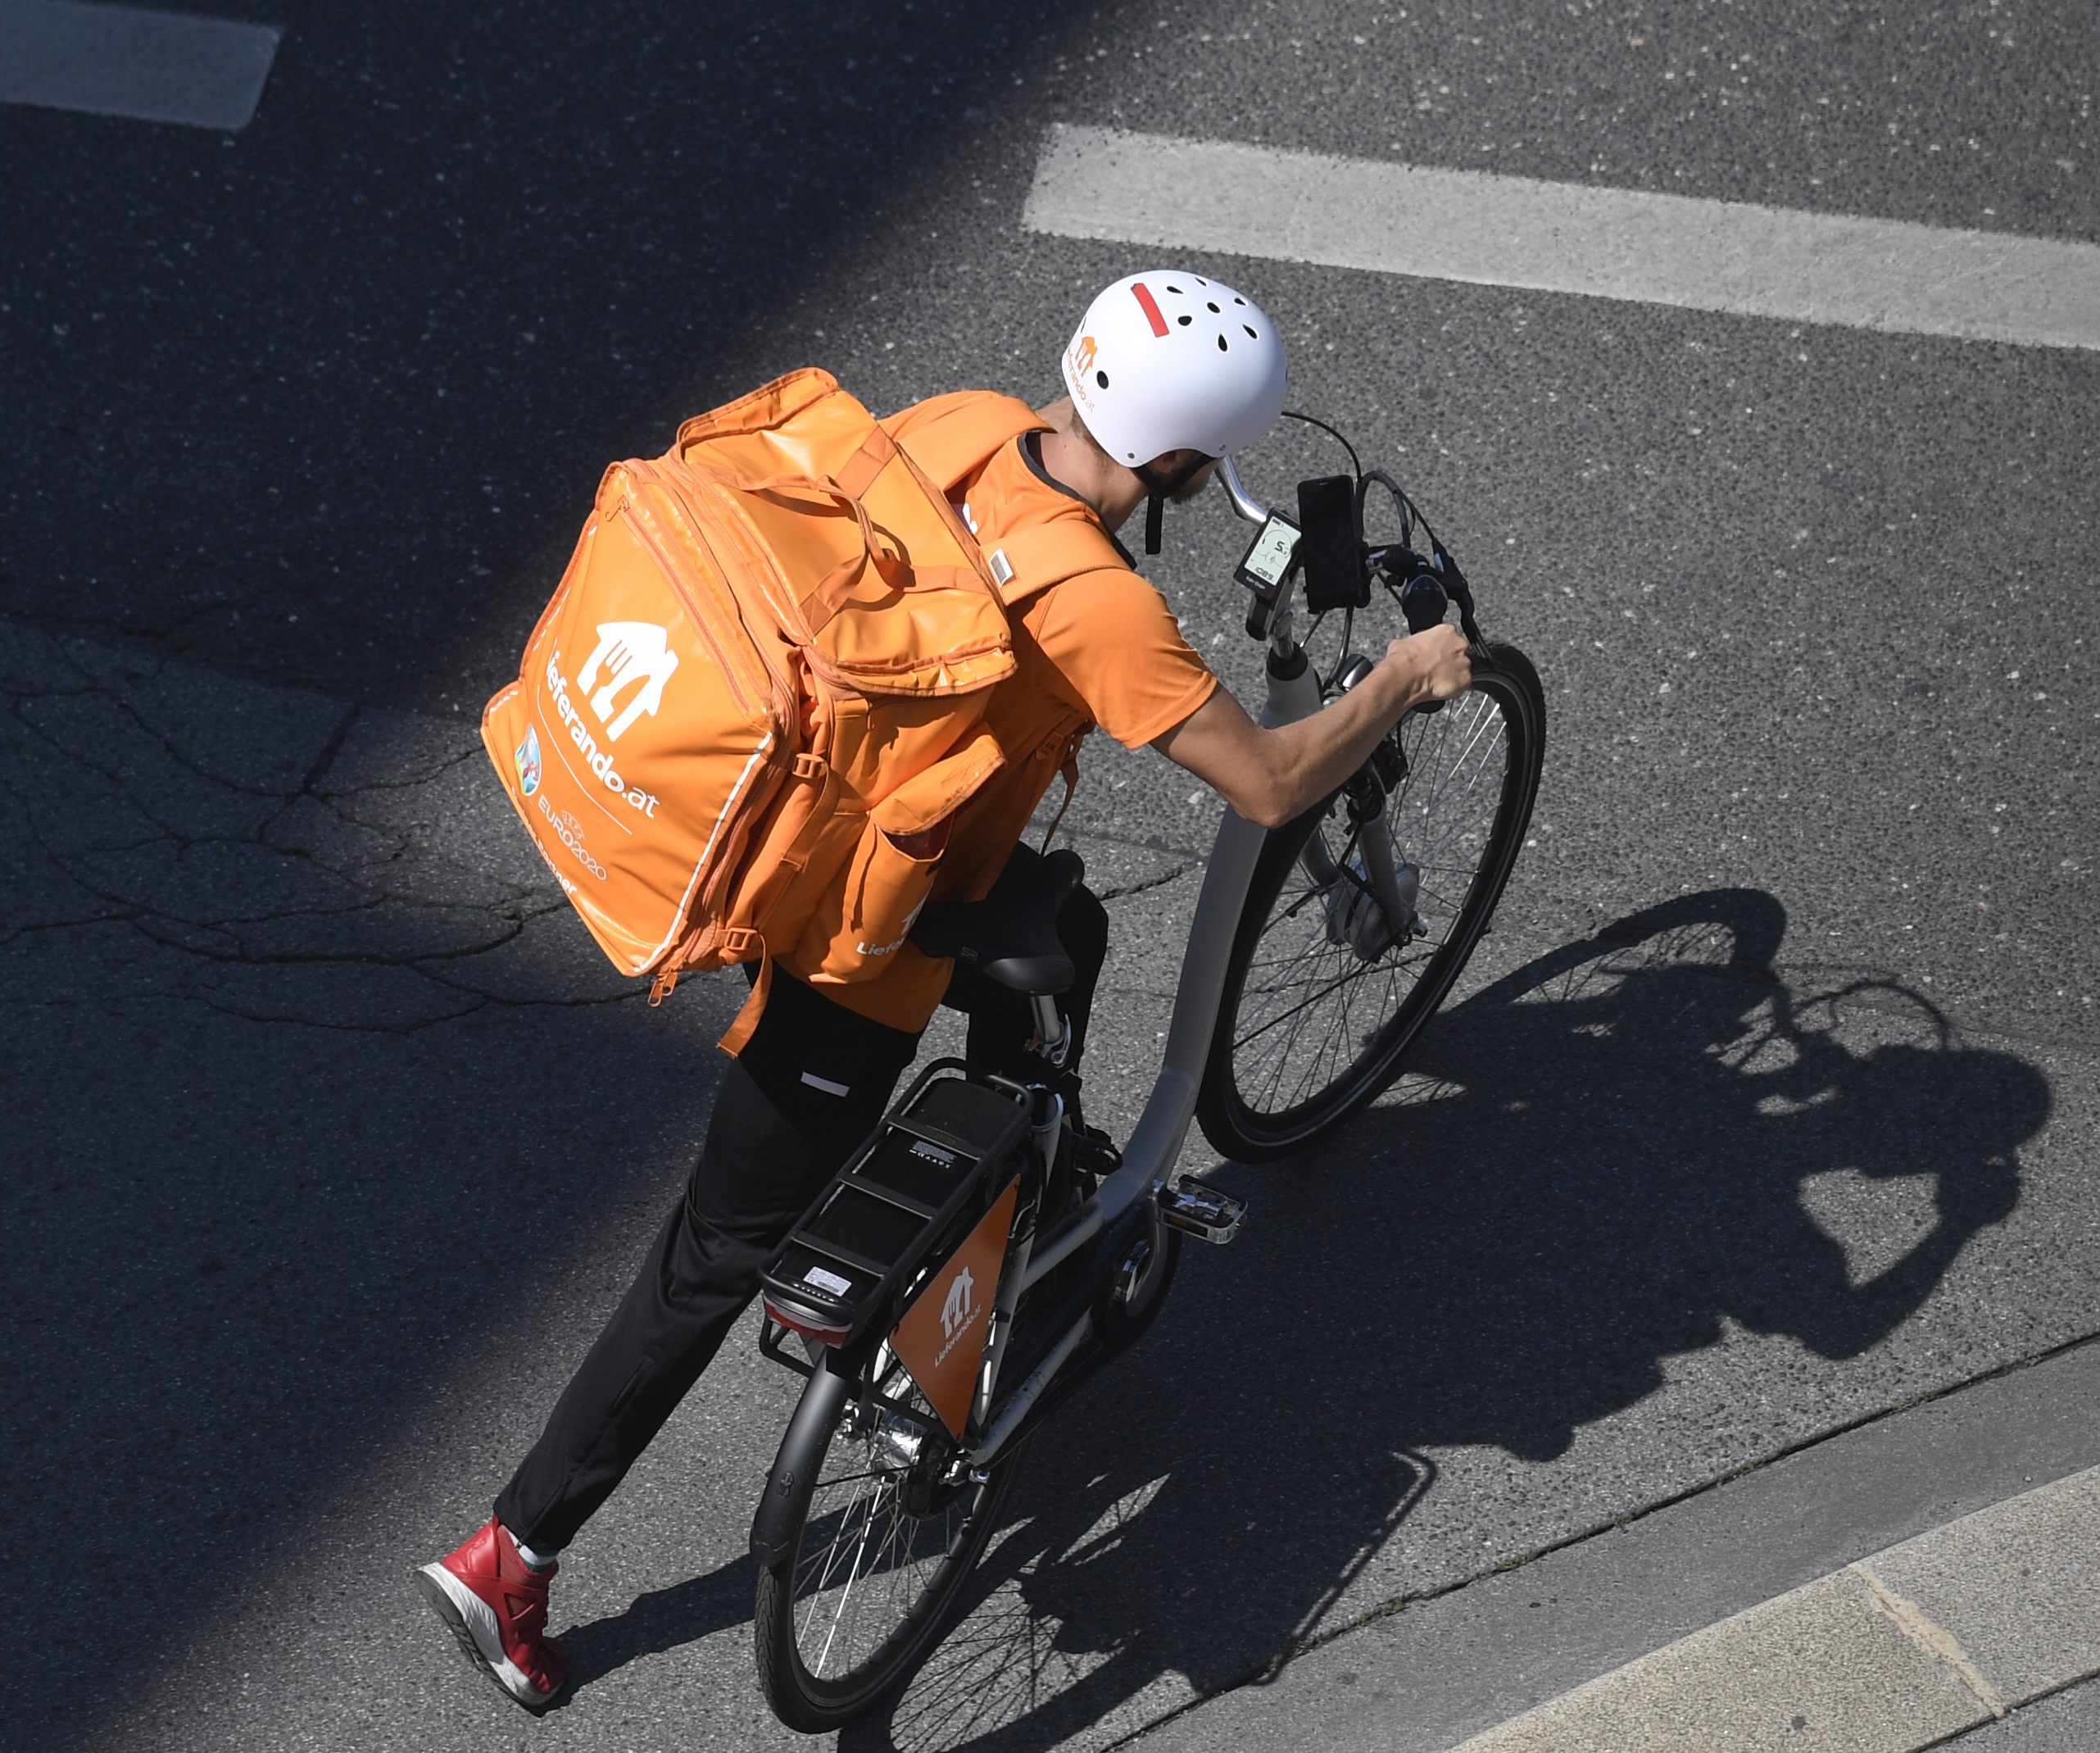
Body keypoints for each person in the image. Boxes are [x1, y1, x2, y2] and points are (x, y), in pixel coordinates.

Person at [417, 271, 1475, 1708]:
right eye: (1207, 463)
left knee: (1063, 931)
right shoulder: (1099, 604)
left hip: (801, 818)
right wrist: (1405, 679)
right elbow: (1278, 776)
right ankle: (513, 1558)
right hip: (866, 937)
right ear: (1175, 463)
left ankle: (1010, 1245)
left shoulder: (969, 424)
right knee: (712, 1261)